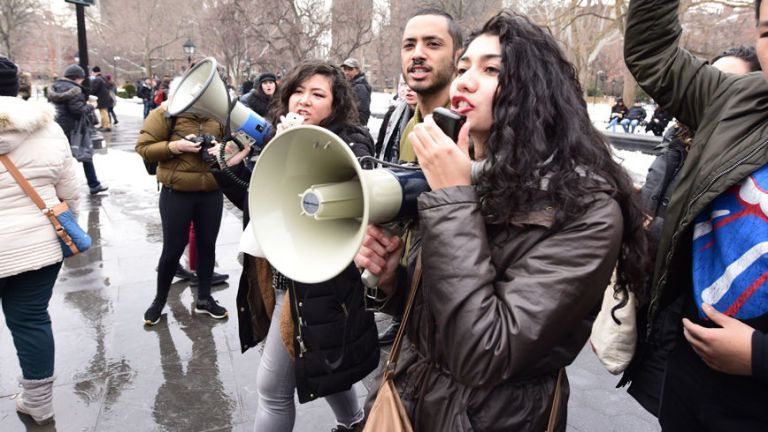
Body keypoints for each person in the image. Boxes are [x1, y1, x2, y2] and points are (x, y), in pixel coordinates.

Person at [355, 10, 648, 430]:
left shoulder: (587, 209)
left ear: (535, 91)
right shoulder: (470, 174)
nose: (465, 82)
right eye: (462, 68)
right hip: (414, 399)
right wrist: (392, 283)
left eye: (491, 69)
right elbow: (443, 314)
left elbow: (483, 351)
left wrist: (453, 201)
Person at [623, 0, 768, 428]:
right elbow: (653, 53)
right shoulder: (737, 99)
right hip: (691, 378)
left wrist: (760, 357)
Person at [214, 61, 377, 432]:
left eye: (317, 94)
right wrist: (227, 169)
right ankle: (352, 422)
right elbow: (262, 207)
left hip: (317, 283)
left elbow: (326, 210)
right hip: (279, 271)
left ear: (336, 105)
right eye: (298, 92)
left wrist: (293, 150)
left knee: (272, 388)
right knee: (319, 363)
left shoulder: (351, 140)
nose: (304, 101)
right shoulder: (280, 135)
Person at [374, 8, 464, 346]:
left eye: (432, 44)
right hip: (414, 303)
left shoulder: (476, 128)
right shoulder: (410, 123)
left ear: (458, 57)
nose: (418, 54)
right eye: (409, 45)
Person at [0, 56, 80, 425]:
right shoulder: (46, 128)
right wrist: (70, 223)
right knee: (31, 320)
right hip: (38, 244)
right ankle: (39, 402)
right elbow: (69, 188)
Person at [135, 87, 228, 326]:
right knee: (173, 249)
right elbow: (143, 147)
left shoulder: (220, 115)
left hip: (211, 191)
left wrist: (223, 148)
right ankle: (159, 300)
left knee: (208, 246)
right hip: (176, 193)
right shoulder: (166, 113)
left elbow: (233, 143)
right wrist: (177, 146)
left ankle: (205, 299)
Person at [47, 64, 109, 195]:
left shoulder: (54, 88)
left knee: (59, 158)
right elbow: (77, 111)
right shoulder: (75, 90)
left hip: (57, 126)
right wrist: (91, 106)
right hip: (74, 129)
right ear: (78, 78)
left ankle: (55, 186)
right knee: (86, 155)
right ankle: (94, 184)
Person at [340, 58, 372, 125]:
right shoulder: (349, 84)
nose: (346, 72)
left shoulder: (360, 88)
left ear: (357, 70)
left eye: (350, 69)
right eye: (345, 69)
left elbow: (363, 111)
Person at [89, 66, 112, 131]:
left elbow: (94, 89)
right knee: (103, 111)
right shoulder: (104, 78)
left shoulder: (97, 79)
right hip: (105, 97)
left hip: (101, 98)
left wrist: (90, 93)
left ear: (94, 72)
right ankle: (103, 125)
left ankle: (106, 126)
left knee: (103, 112)